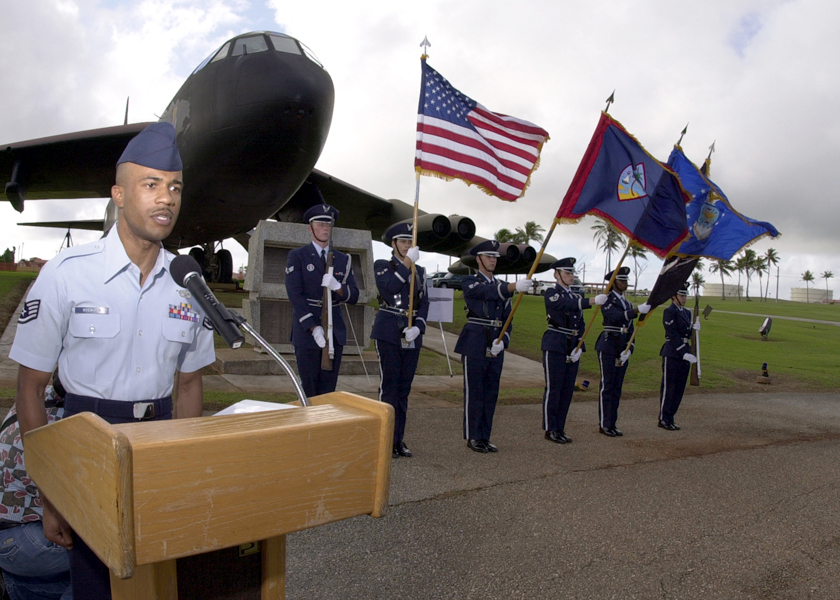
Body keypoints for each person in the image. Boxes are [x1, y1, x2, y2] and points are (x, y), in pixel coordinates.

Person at [10, 121, 216, 600]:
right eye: (150, 185)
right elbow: (30, 388)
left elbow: (188, 387)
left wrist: (187, 474)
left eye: (174, 187)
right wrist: (52, 491)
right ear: (118, 195)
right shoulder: (67, 274)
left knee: (160, 582)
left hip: (160, 443)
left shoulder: (188, 283)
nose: (166, 198)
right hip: (87, 443)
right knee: (98, 586)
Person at [455, 240, 531, 453]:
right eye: (488, 256)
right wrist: (512, 287)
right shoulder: (470, 281)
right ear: (478, 259)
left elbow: (508, 319)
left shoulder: (501, 287)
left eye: (495, 257)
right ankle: (473, 437)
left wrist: (503, 341)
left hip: (495, 343)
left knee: (491, 393)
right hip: (475, 341)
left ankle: (485, 436)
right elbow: (485, 292)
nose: (492, 260)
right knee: (474, 392)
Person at [0, 375, 71, 600]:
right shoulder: (65, 425)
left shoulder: (36, 401)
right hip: (24, 539)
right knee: (116, 555)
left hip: (11, 535)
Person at [285, 204, 360, 397]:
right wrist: (313, 326)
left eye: (328, 224)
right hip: (307, 331)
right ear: (310, 228)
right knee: (309, 390)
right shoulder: (298, 256)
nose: (325, 228)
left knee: (328, 392)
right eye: (320, 224)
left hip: (334, 331)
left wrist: (338, 287)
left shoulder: (343, 260)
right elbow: (295, 294)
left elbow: (354, 295)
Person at [371, 223, 429, 458]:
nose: (407, 245)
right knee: (389, 389)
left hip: (411, 333)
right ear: (393, 244)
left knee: (404, 390)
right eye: (403, 241)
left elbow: (424, 303)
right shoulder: (383, 266)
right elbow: (390, 288)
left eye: (410, 241)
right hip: (388, 331)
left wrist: (419, 327)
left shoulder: (421, 271)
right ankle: (384, 440)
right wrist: (407, 264)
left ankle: (398, 440)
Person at [541, 258, 607, 444]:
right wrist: (592, 300)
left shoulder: (575, 296)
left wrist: (579, 346)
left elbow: (581, 323)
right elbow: (563, 305)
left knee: (567, 390)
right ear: (557, 274)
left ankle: (560, 427)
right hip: (555, 343)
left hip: (572, 345)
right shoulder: (552, 293)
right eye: (567, 273)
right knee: (554, 389)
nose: (571, 276)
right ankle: (550, 428)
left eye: (572, 273)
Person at [594, 266, 650, 437]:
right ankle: (604, 424)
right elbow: (614, 317)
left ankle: (612, 423)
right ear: (613, 283)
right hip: (609, 344)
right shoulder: (607, 299)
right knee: (608, 386)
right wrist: (635, 312)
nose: (625, 283)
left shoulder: (627, 303)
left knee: (617, 388)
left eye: (626, 280)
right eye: (621, 280)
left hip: (622, 347)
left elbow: (632, 330)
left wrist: (629, 349)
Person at [658, 282, 699, 430]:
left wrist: (694, 329)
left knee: (679, 388)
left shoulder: (686, 313)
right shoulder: (669, 311)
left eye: (685, 295)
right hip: (672, 352)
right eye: (681, 295)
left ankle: (671, 417)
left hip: (685, 351)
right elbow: (672, 334)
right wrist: (684, 353)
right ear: (674, 297)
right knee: (669, 387)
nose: (684, 298)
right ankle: (663, 418)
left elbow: (686, 334)